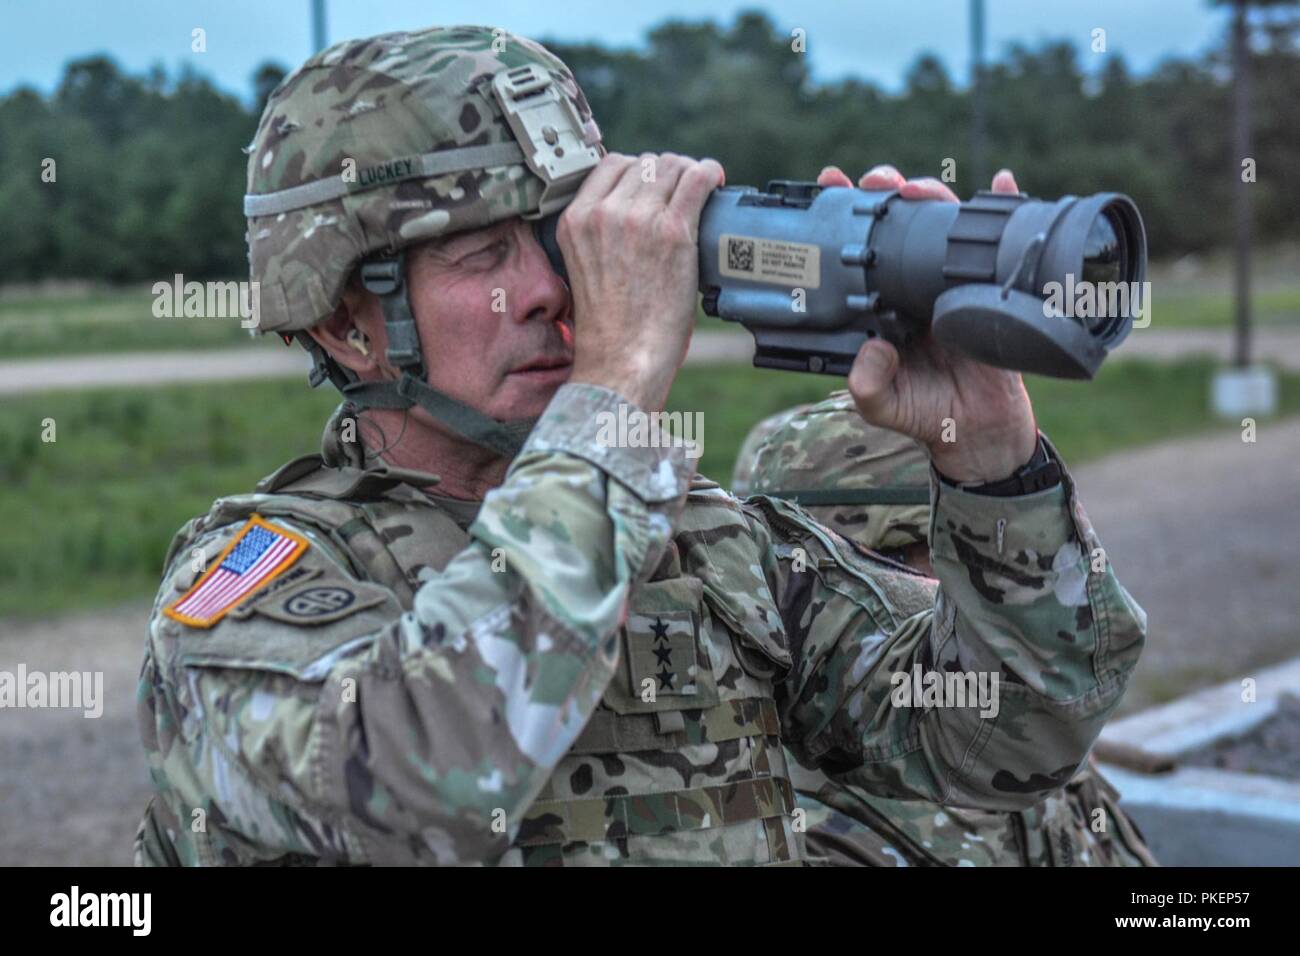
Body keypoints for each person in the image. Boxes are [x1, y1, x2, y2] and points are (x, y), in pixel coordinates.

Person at [134, 25, 1147, 866]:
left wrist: (992, 464)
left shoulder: (707, 547)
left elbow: (1011, 739)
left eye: (562, 239)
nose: (547, 290)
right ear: (341, 320)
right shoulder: (259, 587)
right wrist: (612, 399)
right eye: (481, 253)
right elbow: (414, 783)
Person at [734, 391, 1157, 866]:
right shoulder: (795, 830)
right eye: (969, 563)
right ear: (857, 576)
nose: (1003, 595)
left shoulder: (1014, 735)